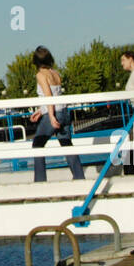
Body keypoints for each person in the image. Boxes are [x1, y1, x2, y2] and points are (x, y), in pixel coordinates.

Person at [28, 46, 85, 183]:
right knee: (66, 143)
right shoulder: (55, 73)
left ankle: (40, 181)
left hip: (53, 114)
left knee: (37, 145)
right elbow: (56, 94)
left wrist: (51, 116)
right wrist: (41, 111)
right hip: (64, 112)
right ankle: (79, 177)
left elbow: (48, 95)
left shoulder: (41, 75)